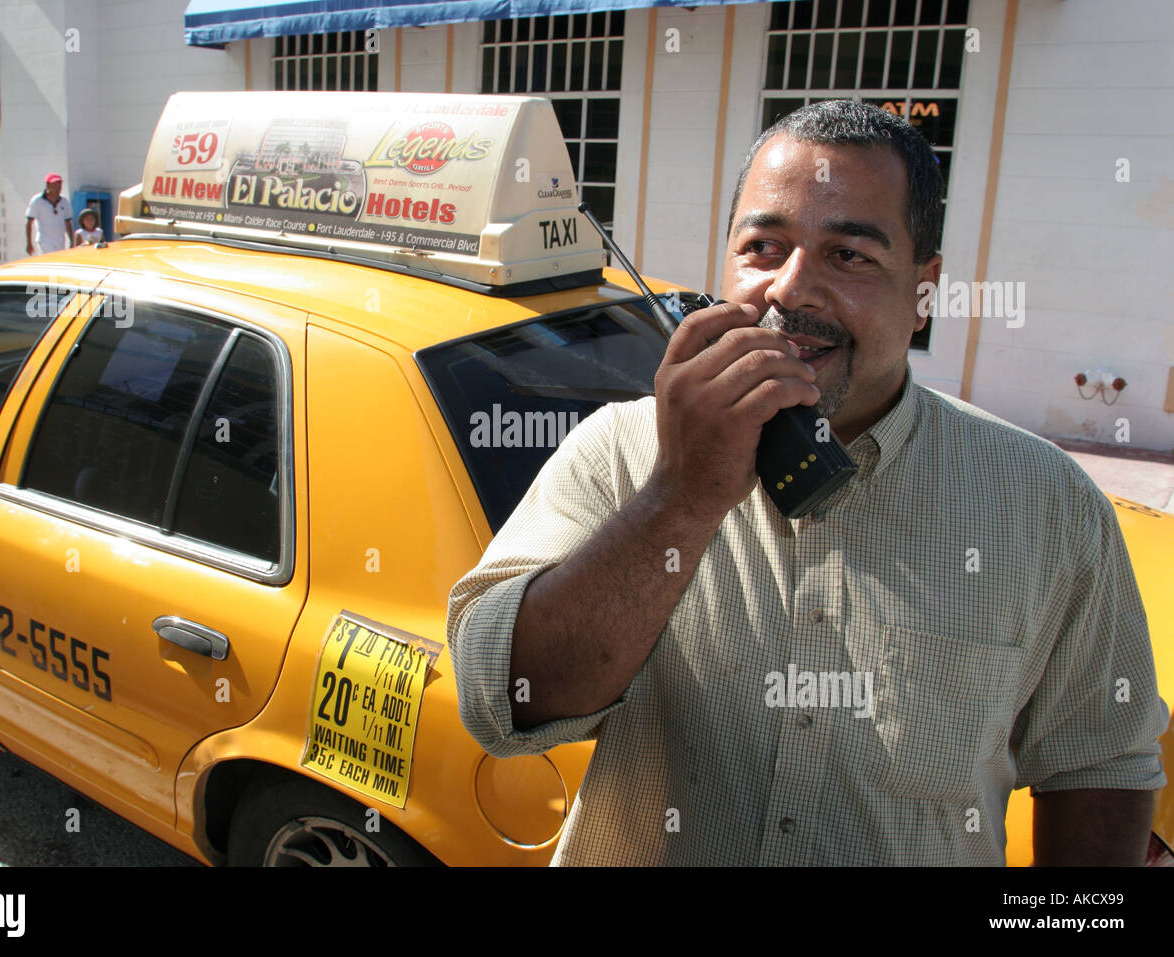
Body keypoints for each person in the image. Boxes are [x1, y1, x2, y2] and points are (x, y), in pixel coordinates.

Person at [446, 99, 1167, 866]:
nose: (791, 291)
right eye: (763, 246)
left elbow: (1101, 764)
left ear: (925, 290)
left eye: (848, 255)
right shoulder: (620, 452)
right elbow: (500, 702)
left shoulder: (1044, 504)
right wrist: (680, 497)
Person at [25, 173, 73, 255]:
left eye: (59, 185)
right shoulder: (37, 200)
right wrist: (29, 243)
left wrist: (72, 241)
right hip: (44, 240)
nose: (57, 188)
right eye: (55, 185)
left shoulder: (64, 202)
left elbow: (68, 223)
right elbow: (29, 222)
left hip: (60, 241)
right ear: (47, 185)